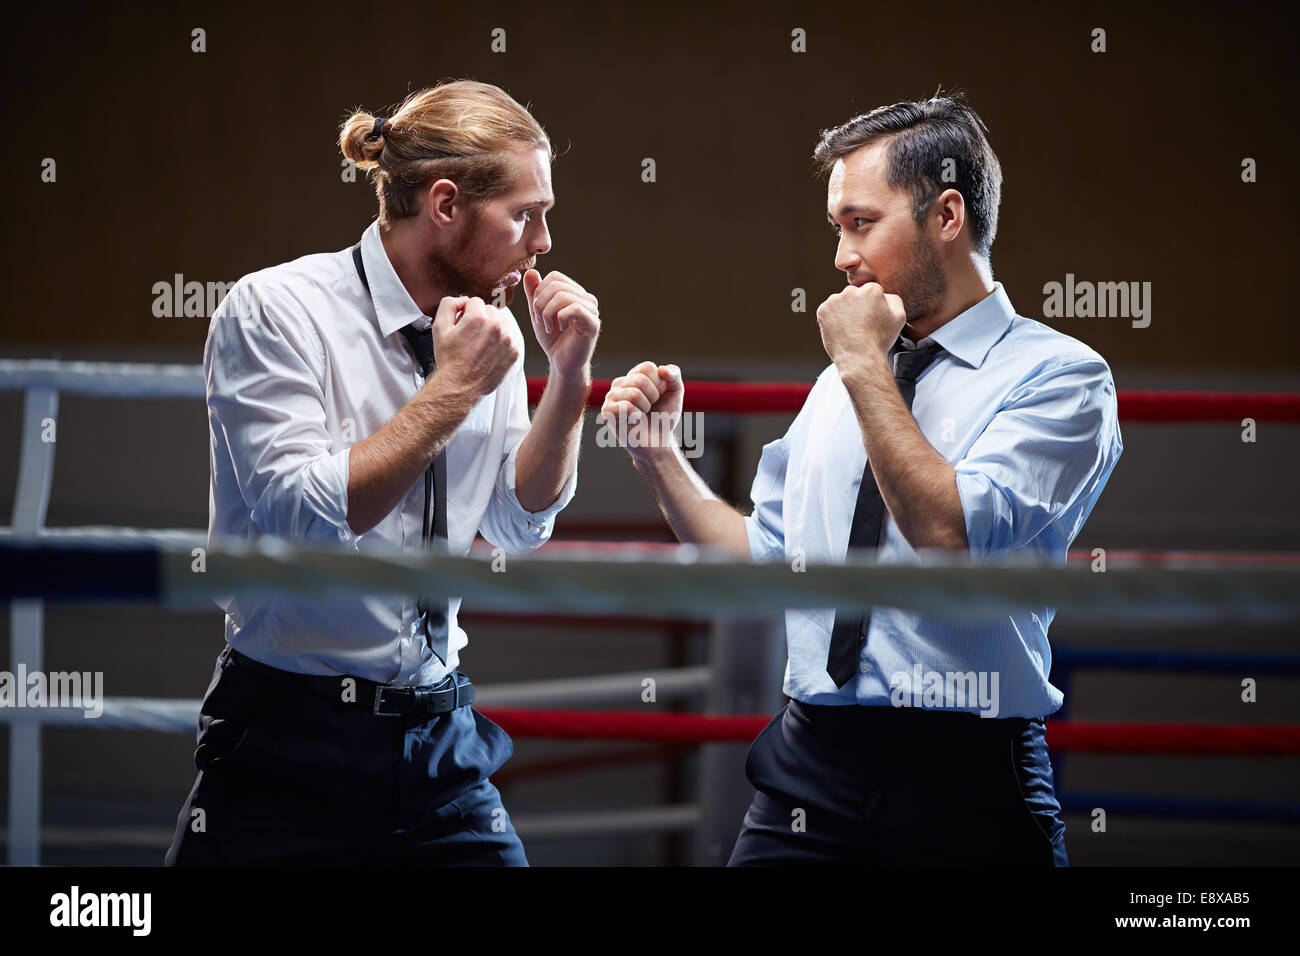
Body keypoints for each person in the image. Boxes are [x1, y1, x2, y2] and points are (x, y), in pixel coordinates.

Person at [601, 95, 1122, 865]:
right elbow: (763, 562)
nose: (843, 255)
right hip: (808, 763)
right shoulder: (846, 378)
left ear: (947, 214)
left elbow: (949, 532)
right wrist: (657, 456)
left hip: (964, 770)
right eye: (837, 227)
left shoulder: (1060, 378)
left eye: (861, 222)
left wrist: (862, 366)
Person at [166, 80, 600, 866]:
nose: (541, 242)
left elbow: (514, 522)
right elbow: (305, 513)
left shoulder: (486, 329)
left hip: (441, 735)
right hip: (286, 736)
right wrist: (453, 389)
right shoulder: (277, 309)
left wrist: (568, 379)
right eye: (525, 214)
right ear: (445, 204)